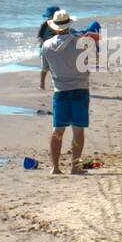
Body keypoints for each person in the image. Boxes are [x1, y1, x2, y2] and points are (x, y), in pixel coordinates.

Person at [39, 9, 95, 175]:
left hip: (60, 91)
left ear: (55, 27)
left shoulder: (47, 45)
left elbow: (45, 68)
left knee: (58, 130)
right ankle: (75, 166)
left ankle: (55, 167)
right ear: (69, 24)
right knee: (78, 130)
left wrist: (41, 82)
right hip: (80, 89)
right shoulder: (81, 42)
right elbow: (87, 65)